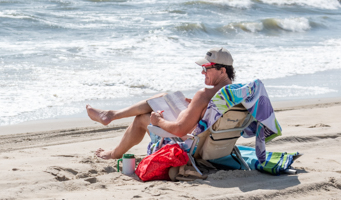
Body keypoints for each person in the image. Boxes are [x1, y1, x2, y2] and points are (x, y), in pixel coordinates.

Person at [85, 47, 236, 160]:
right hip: (218, 146)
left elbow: (179, 130)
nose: (202, 72)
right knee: (163, 97)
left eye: (206, 68)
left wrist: (158, 121)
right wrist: (197, 108)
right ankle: (111, 115)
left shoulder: (204, 95)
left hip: (192, 149)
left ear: (222, 71)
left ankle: (113, 150)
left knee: (142, 119)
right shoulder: (237, 94)